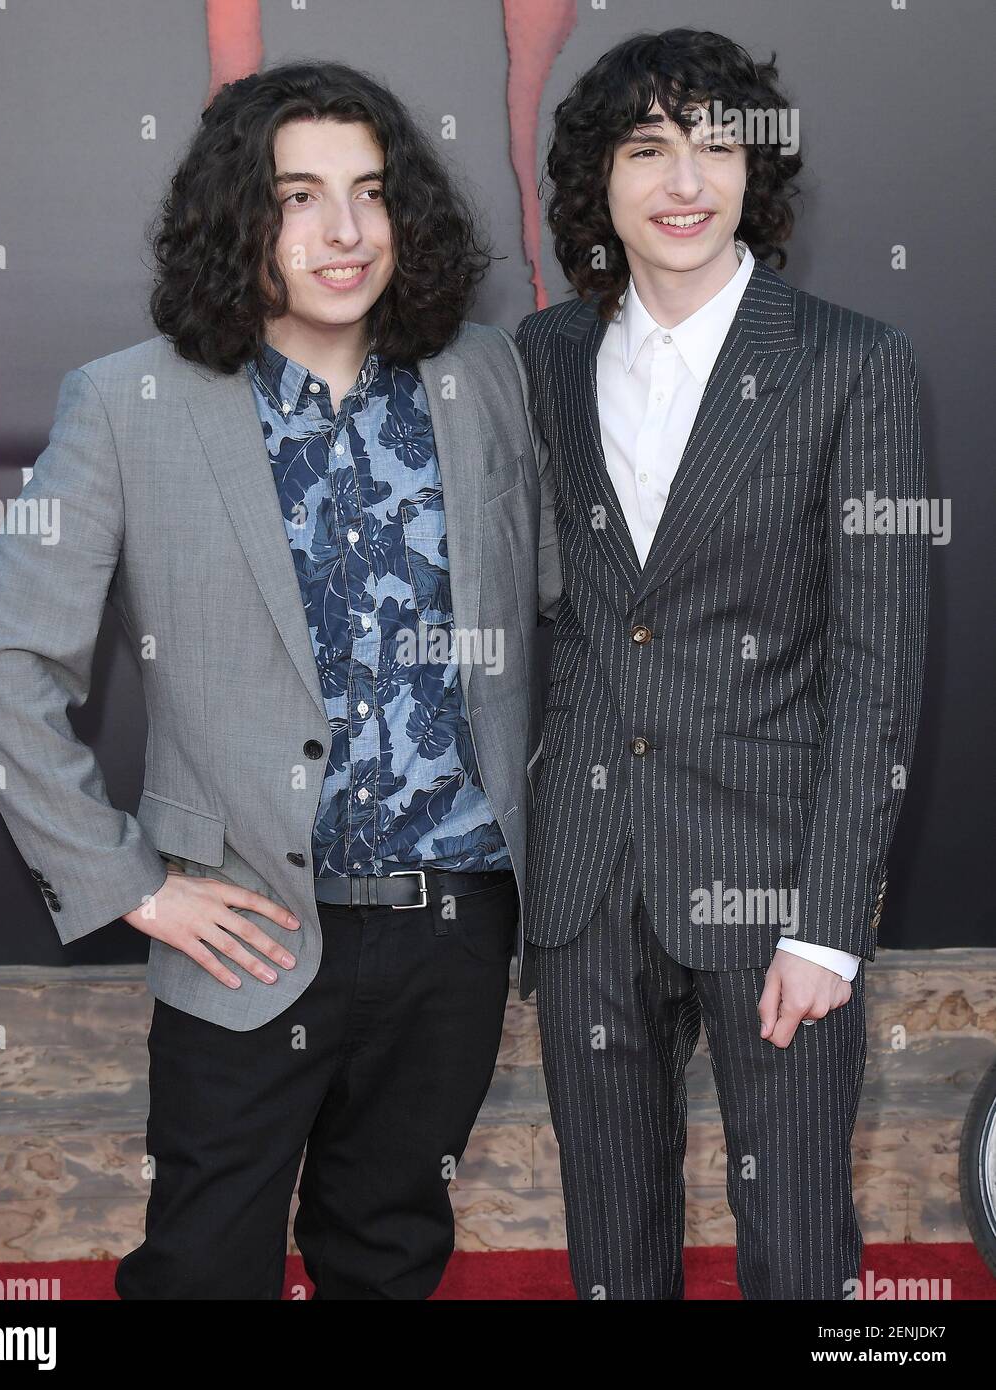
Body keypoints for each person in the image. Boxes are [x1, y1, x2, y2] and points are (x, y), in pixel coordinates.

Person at [0, 61, 559, 1300]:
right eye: (298, 197)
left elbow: (559, 602)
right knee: (201, 1270)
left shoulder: (484, 375)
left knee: (389, 1252)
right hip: (248, 932)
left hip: (453, 923)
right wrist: (130, 884)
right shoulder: (129, 403)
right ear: (242, 217)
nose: (342, 232)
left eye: (369, 192)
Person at [515, 28, 929, 1299]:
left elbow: (880, 667)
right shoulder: (543, 358)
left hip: (772, 880)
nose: (684, 179)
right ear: (599, 182)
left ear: (758, 172)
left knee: (799, 1247)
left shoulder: (850, 362)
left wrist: (829, 925)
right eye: (647, 148)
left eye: (715, 144)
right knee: (612, 1244)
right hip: (587, 878)